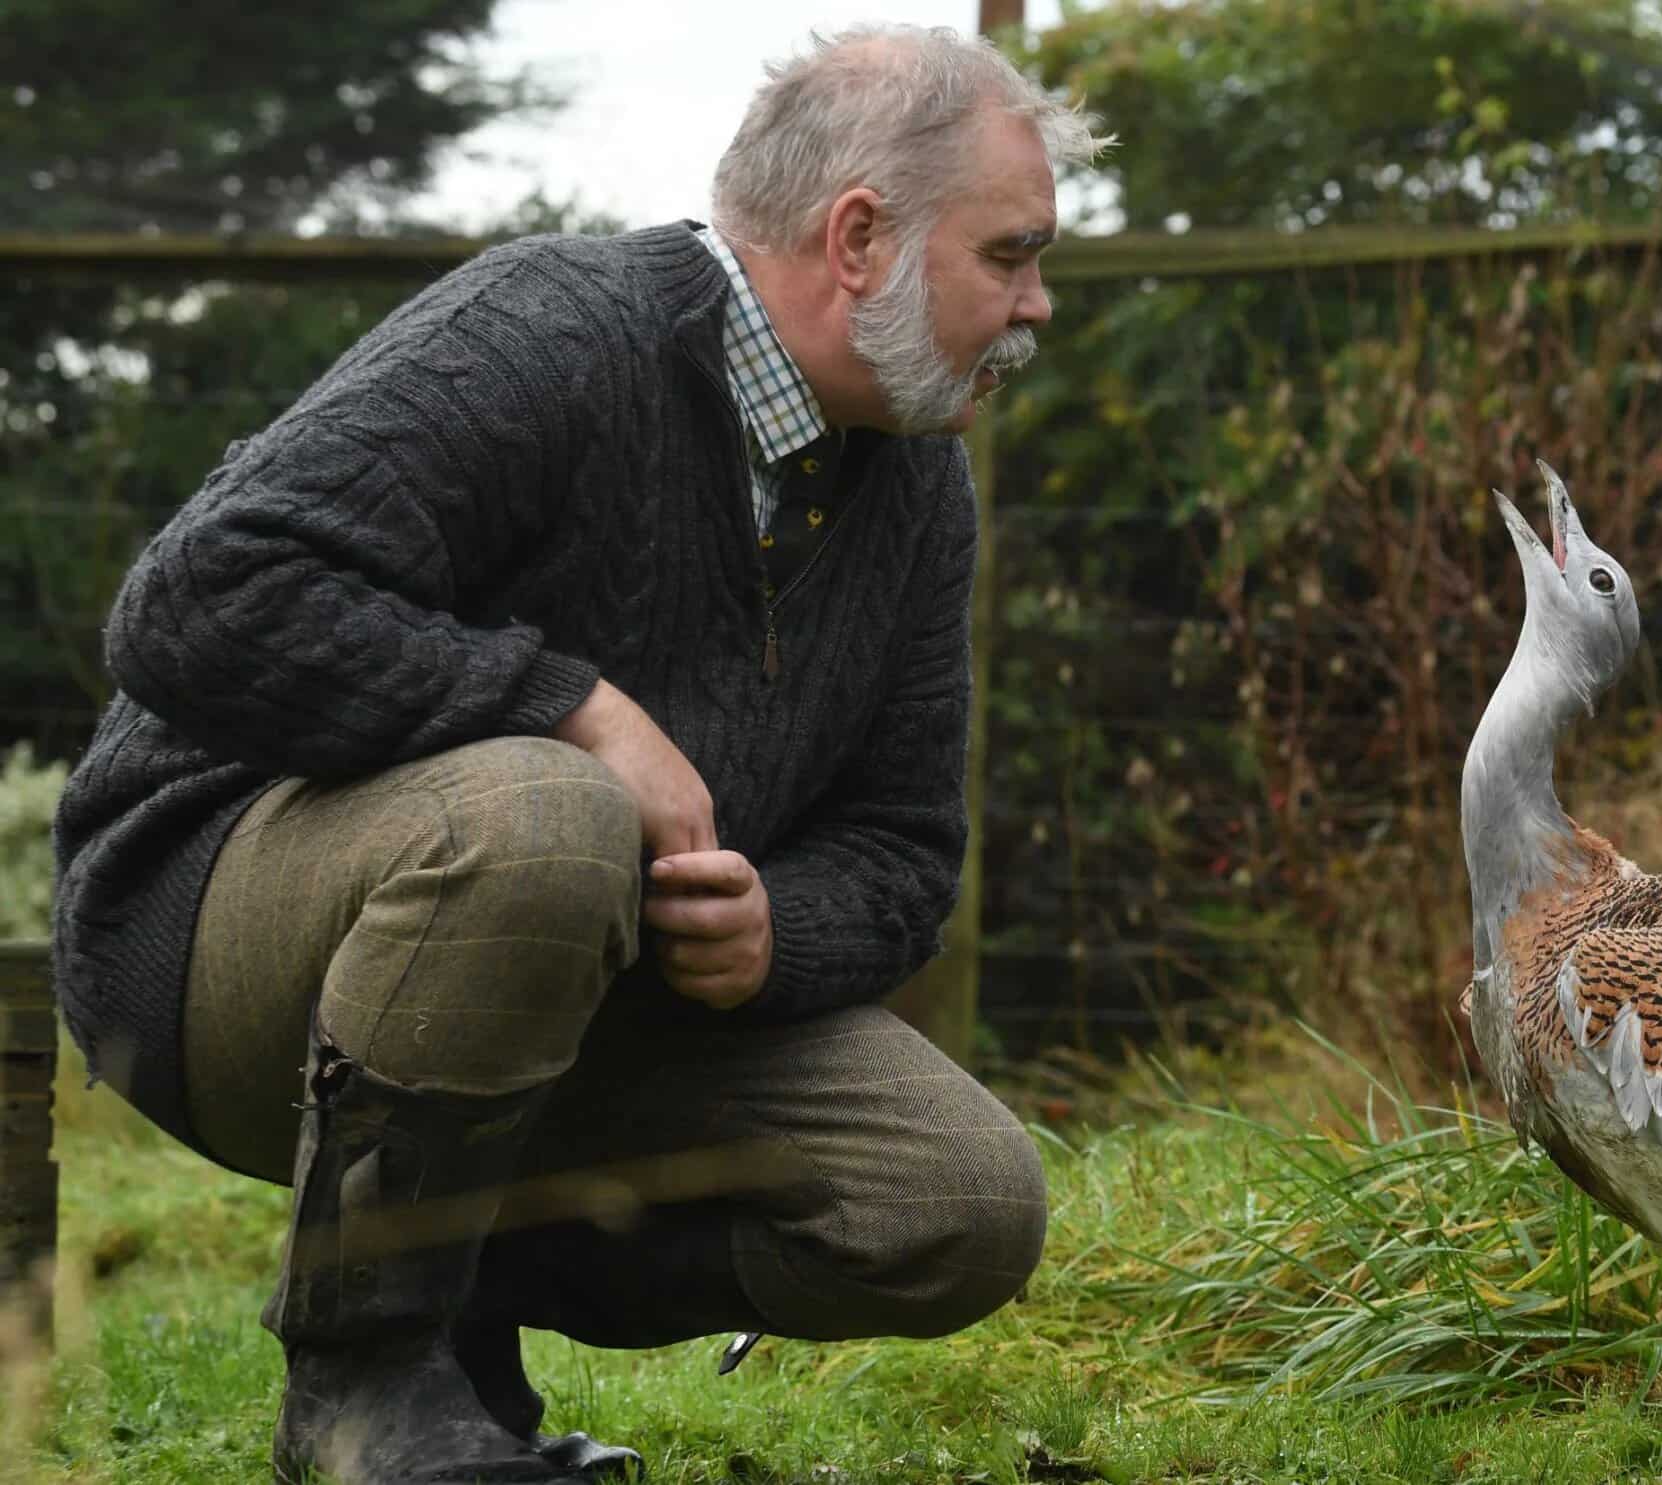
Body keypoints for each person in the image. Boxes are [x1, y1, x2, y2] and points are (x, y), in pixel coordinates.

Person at [49, 24, 1108, 1485]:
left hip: (571, 1006)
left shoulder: (920, 487)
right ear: (859, 237)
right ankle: (362, 1391)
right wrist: (575, 705)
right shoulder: (554, 328)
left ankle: (456, 1323)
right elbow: (197, 601)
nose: (1036, 306)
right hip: (211, 944)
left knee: (955, 1199)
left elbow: (905, 849)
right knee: (552, 813)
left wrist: (771, 934)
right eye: (1012, 254)